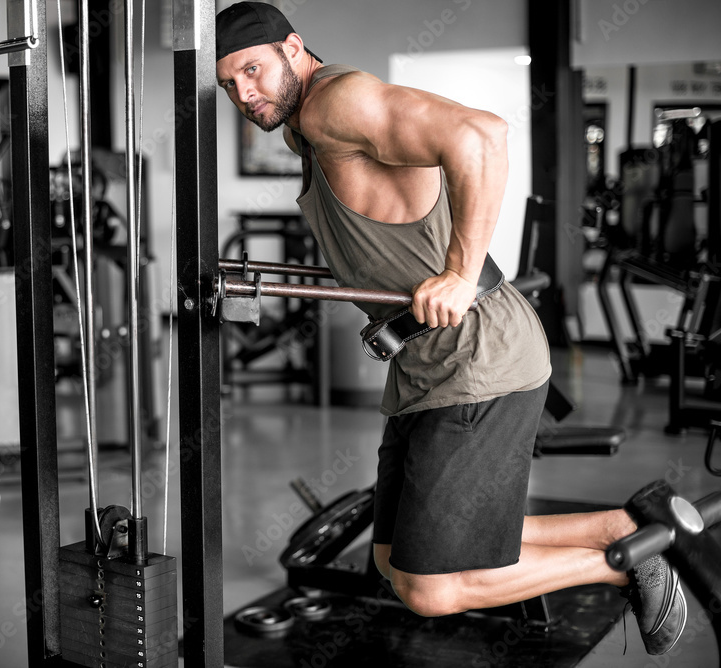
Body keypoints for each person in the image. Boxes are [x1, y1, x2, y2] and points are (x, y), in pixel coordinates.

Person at [215, 1, 686, 656]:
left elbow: (482, 135)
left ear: (295, 48)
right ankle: (620, 523)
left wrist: (462, 273)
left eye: (253, 69)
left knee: (429, 586)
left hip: (475, 357)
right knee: (393, 554)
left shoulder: (332, 104)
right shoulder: (305, 131)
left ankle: (625, 558)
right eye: (229, 83)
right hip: (427, 364)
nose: (244, 92)